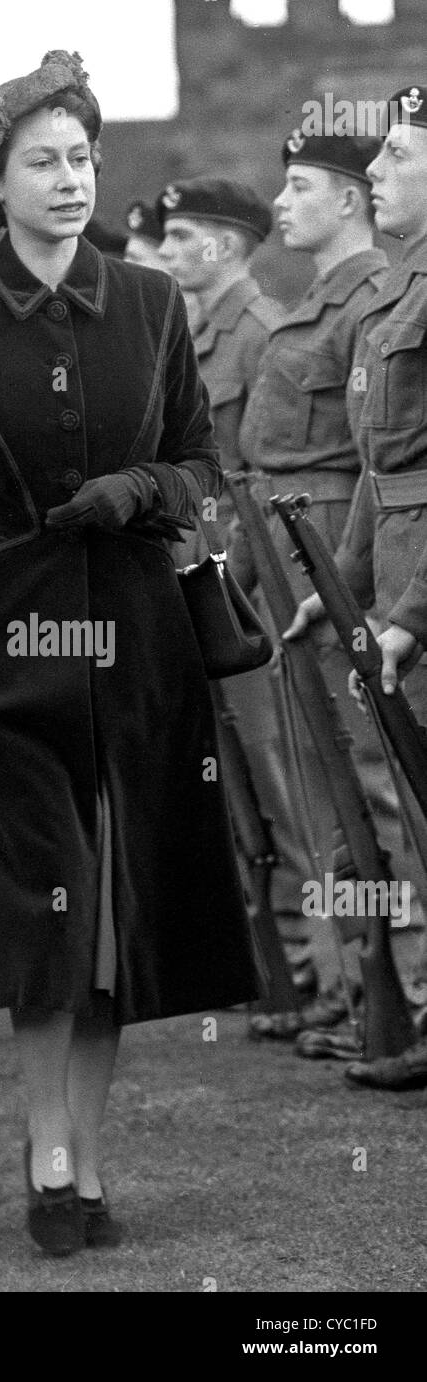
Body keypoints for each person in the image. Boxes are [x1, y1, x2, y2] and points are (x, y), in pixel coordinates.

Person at [0, 48, 257, 1255]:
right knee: (48, 913)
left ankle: (88, 1160)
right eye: (44, 161)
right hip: (0, 650)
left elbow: (202, 468)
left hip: (141, 651)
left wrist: (142, 486)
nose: (72, 180)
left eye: (83, 158)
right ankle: (47, 1151)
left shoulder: (153, 303)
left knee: (116, 912)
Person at [156, 176, 325, 1004]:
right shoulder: (179, 334)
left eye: (183, 236)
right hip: (196, 582)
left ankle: (315, 971)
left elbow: (265, 482)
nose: (169, 250)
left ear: (223, 245)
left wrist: (238, 589)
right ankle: (270, 972)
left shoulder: (261, 333)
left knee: (276, 777)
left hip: (243, 594)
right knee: (230, 791)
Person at [288, 86, 427, 1090]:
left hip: (421, 597)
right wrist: (336, 588)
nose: (373, 175)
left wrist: (411, 615)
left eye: (396, 160)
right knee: (400, 811)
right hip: (392, 579)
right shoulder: (397, 296)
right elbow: (381, 471)